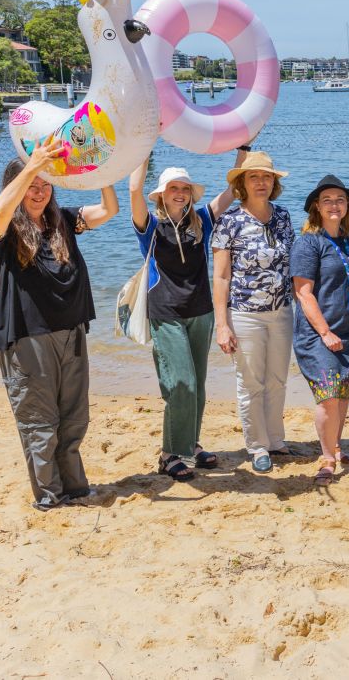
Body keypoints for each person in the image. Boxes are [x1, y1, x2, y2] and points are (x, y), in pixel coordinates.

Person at [0, 140, 119, 510]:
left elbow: (110, 208)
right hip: (27, 338)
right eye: (32, 185)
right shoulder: (5, 229)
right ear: (17, 187)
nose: (40, 192)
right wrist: (33, 164)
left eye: (46, 184)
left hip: (71, 332)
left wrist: (100, 170)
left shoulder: (64, 221)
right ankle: (49, 496)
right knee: (40, 423)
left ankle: (75, 488)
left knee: (74, 417)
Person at [128, 151, 245, 482]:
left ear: (190, 194)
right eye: (173, 188)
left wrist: (242, 151)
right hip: (165, 313)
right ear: (162, 194)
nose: (179, 193)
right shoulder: (149, 226)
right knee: (181, 384)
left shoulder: (202, 221)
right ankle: (169, 454)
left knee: (198, 386)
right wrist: (143, 149)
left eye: (184, 189)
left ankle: (189, 445)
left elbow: (233, 191)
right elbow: (134, 191)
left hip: (201, 312)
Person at [210, 151, 294, 474]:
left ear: (274, 183)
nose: (261, 182)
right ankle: (257, 446)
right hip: (244, 314)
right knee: (250, 383)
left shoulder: (283, 217)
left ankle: (275, 440)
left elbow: (293, 266)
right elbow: (220, 276)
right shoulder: (229, 221)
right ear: (242, 183)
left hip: (282, 311)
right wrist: (222, 324)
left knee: (277, 380)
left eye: (267, 177)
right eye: (254, 177)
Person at [291, 174, 349, 485]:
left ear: (348, 206)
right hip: (318, 335)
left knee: (342, 394)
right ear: (316, 207)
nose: (334, 205)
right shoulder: (308, 242)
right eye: (327, 200)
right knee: (327, 395)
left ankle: (337, 447)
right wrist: (325, 332)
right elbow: (303, 292)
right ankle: (326, 458)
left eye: (340, 200)